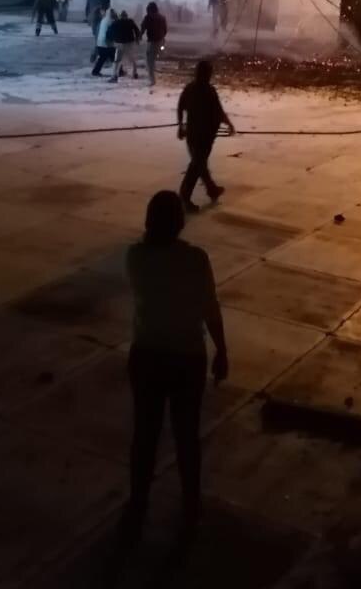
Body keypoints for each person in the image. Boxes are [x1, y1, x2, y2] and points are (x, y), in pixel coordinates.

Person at [122, 190, 228, 544]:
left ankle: (138, 503)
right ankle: (190, 505)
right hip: (186, 357)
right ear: (180, 224)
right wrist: (222, 350)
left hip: (147, 354)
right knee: (186, 436)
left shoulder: (135, 257)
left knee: (145, 435)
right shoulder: (195, 259)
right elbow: (209, 308)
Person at [177, 59, 234, 212]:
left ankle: (211, 189)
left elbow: (180, 106)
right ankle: (185, 195)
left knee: (199, 164)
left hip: (194, 134)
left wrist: (181, 125)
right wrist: (229, 124)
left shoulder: (190, 88)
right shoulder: (209, 91)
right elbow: (219, 111)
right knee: (197, 165)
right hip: (204, 136)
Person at [140, 1, 168, 86]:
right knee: (155, 57)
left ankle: (152, 80)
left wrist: (139, 36)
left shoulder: (148, 17)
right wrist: (162, 38)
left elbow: (143, 28)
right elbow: (165, 30)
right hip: (160, 41)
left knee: (149, 61)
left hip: (152, 42)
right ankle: (152, 74)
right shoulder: (162, 17)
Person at [91, 2, 115, 75]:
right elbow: (110, 33)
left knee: (103, 58)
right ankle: (120, 71)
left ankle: (95, 71)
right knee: (114, 58)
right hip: (106, 44)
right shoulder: (110, 21)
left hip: (100, 43)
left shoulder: (104, 20)